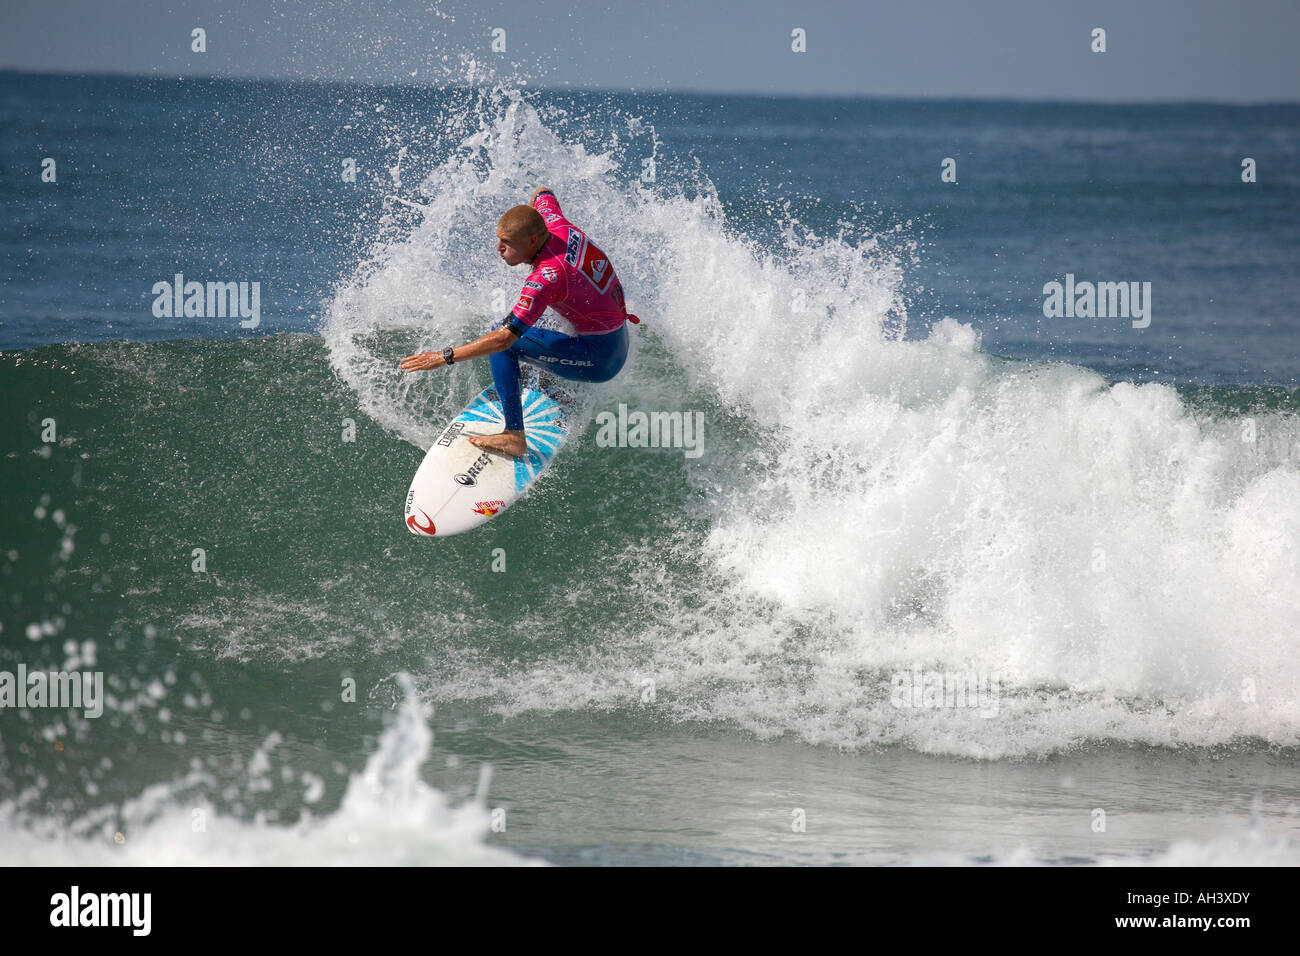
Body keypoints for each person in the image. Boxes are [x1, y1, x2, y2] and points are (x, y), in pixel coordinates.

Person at [399, 187, 638, 457]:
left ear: (533, 239)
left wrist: (444, 357)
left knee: (502, 340)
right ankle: (545, 370)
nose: (499, 249)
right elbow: (543, 193)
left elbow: (503, 339)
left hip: (602, 360)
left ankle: (514, 436)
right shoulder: (553, 221)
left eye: (508, 242)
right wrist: (524, 220)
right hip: (617, 336)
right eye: (499, 239)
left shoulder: (546, 277)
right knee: (527, 319)